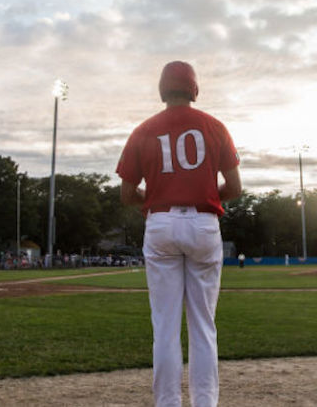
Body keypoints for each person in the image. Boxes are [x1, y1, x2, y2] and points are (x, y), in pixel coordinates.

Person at [118, 60, 242, 407]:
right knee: (203, 326)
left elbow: (126, 195)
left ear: (161, 90)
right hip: (204, 222)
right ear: (195, 90)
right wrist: (204, 195)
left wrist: (155, 197)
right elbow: (235, 187)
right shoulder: (214, 126)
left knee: (165, 328)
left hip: (160, 222)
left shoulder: (143, 130)